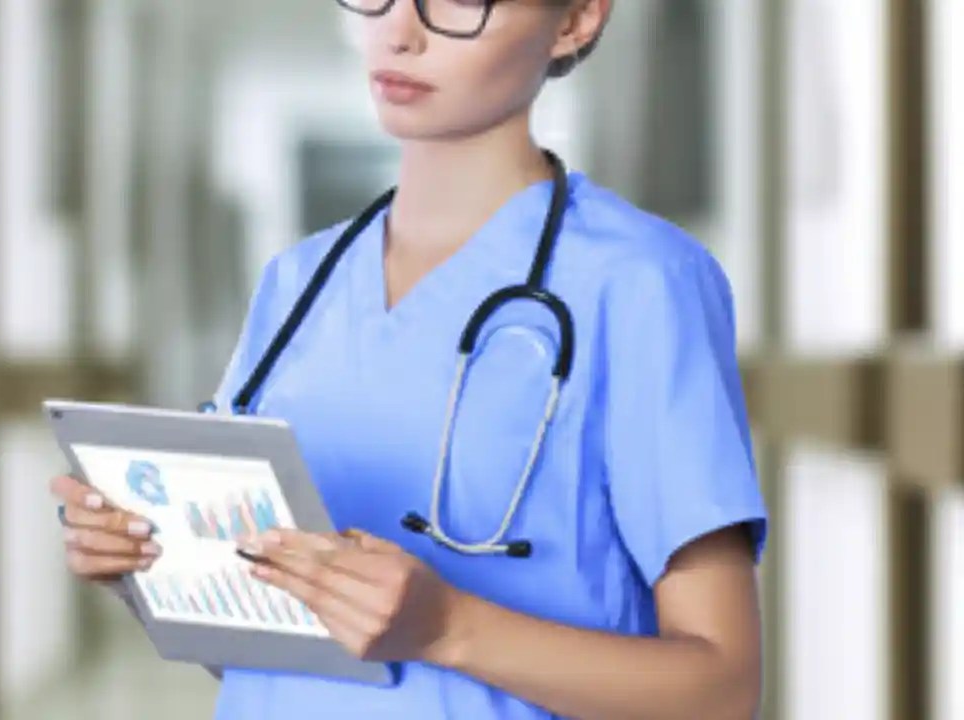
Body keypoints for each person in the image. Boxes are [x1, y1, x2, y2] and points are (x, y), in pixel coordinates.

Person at [50, 0, 769, 718]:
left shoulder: (643, 283)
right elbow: (277, 658)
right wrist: (148, 567)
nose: (398, 32)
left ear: (576, 20)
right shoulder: (298, 283)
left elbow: (721, 693)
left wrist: (449, 628)